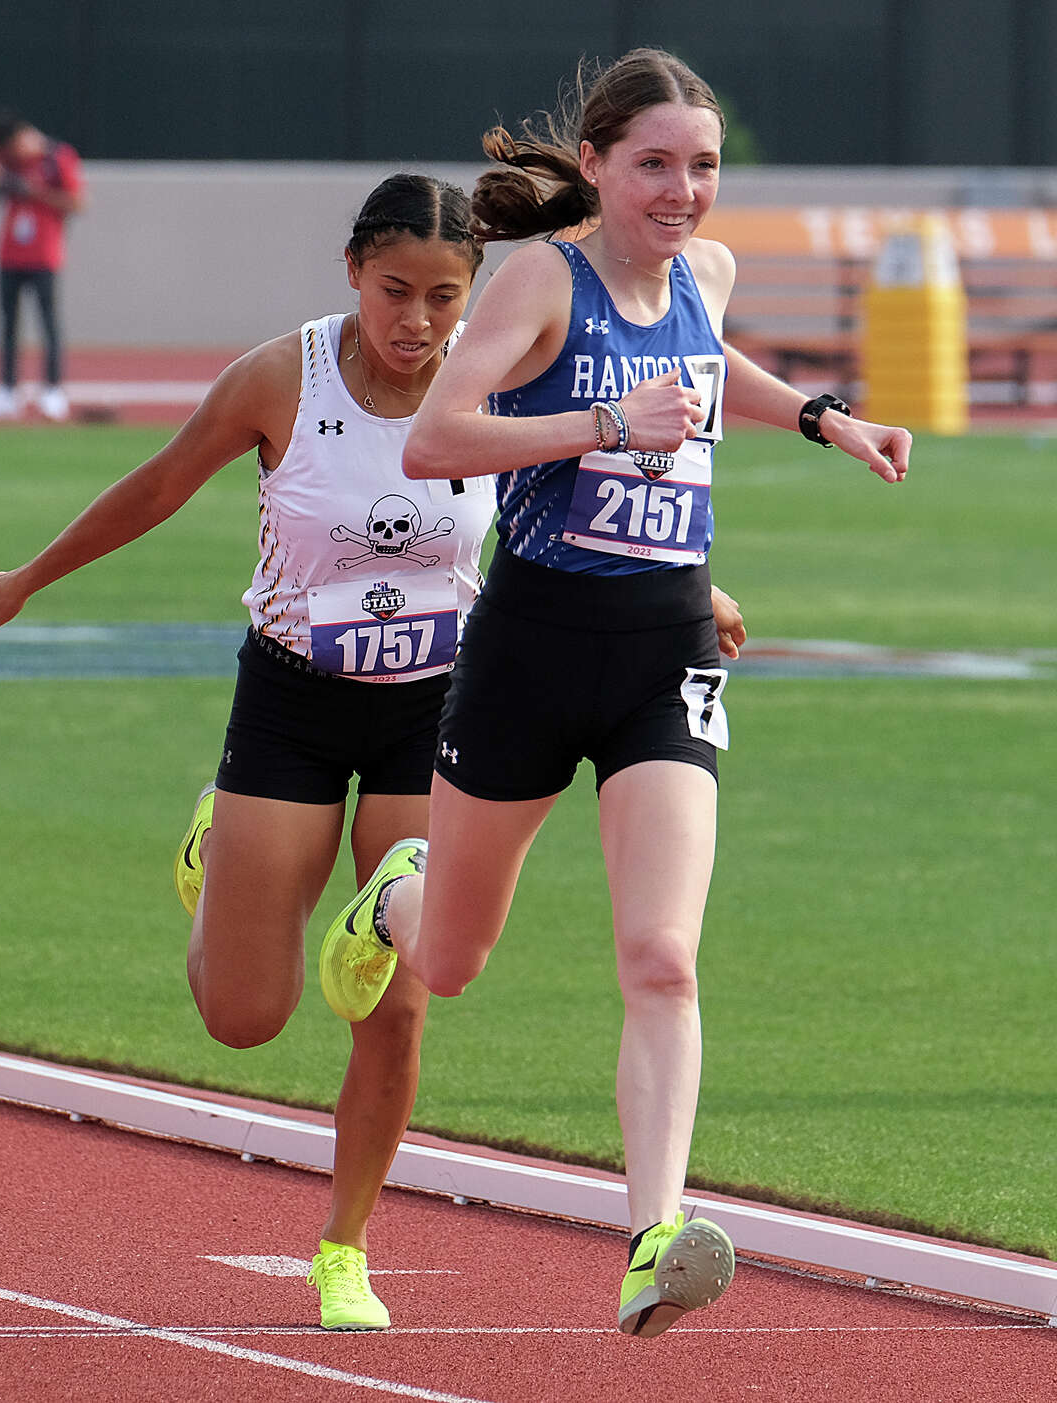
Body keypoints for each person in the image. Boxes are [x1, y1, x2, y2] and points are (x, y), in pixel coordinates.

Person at [0, 170, 745, 1333]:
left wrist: (696, 591)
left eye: (440, 297)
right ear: (352, 275)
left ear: (471, 293)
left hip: (441, 707)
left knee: (402, 997)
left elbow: (578, 507)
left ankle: (344, 1244)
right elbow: (163, 481)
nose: (416, 323)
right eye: (394, 292)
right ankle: (217, 833)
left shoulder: (499, 379)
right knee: (242, 1013)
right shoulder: (285, 376)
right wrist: (30, 577)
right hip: (291, 700)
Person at [318, 49, 911, 1340]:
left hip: (665, 645)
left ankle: (652, 1233)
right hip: (532, 646)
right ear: (594, 166)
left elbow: (708, 369)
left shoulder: (706, 275)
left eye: (702, 166)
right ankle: (394, 893)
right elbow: (435, 438)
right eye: (655, 163)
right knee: (458, 959)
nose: (683, 189)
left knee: (662, 953)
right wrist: (598, 427)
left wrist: (823, 416)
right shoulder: (544, 278)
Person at [0, 111, 86, 423]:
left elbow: (77, 203)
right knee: (8, 324)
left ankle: (52, 391)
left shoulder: (58, 157)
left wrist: (32, 190)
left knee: (48, 323)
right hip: (9, 254)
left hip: (45, 254)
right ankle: (7, 390)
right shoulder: (5, 158)